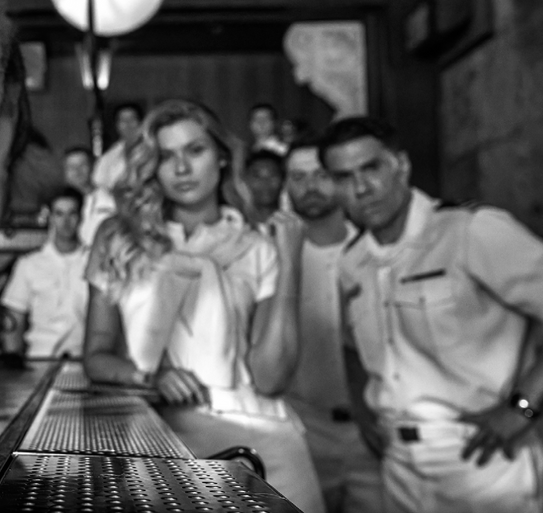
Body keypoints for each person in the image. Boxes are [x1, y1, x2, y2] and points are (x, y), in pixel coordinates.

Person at [320, 116, 543, 513]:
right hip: (398, 465)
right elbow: (351, 345)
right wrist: (363, 409)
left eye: (372, 168)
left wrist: (523, 407)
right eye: (343, 177)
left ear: (401, 166)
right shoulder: (353, 261)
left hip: (481, 457)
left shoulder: (469, 230)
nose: (361, 188)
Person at [83, 99, 325, 513]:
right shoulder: (119, 239)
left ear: (223, 157)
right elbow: (96, 355)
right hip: (156, 437)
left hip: (262, 436)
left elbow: (271, 376)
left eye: (195, 151)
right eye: (165, 156)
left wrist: (290, 265)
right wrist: (148, 376)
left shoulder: (257, 246)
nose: (181, 168)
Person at [282, 138, 381, 513]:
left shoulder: (375, 250)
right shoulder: (272, 257)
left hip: (371, 431)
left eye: (321, 175)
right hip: (301, 428)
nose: (310, 186)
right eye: (297, 177)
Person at [0, 187, 90, 359]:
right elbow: (14, 319)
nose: (66, 221)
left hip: (82, 361)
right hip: (39, 359)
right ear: (50, 217)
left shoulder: (93, 262)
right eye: (59, 214)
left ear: (81, 217)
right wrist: (12, 361)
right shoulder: (29, 264)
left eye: (72, 213)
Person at [83, 104, 144, 246]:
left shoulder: (153, 151)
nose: (128, 125)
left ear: (141, 122)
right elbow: (98, 188)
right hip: (116, 216)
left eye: (132, 119)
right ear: (117, 126)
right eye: (123, 121)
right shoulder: (108, 159)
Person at [243, 148, 286, 227]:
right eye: (257, 176)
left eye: (272, 175)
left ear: (283, 180)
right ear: (246, 180)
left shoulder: (295, 224)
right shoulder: (236, 226)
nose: (265, 183)